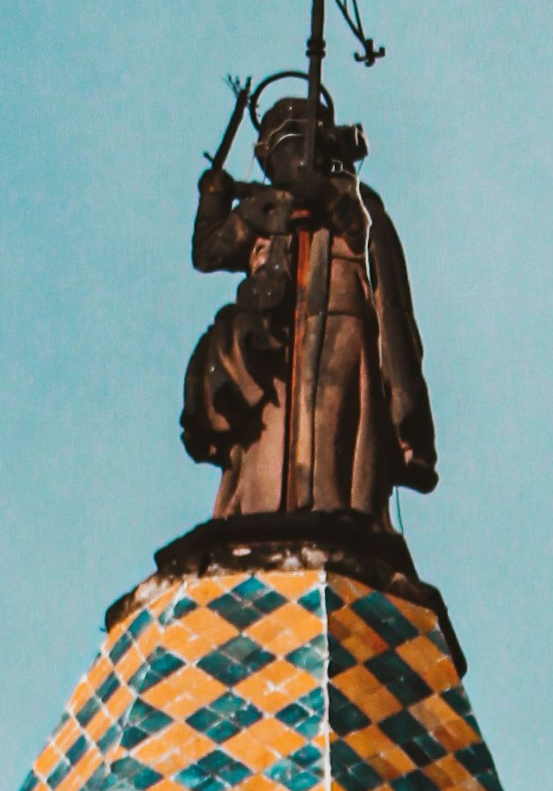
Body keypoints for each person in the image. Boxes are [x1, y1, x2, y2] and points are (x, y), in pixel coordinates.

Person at [184, 87, 437, 517]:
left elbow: (380, 269)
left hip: (343, 327)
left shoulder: (356, 198)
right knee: (269, 444)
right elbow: (209, 253)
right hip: (271, 337)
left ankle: (337, 515)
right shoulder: (260, 207)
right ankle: (262, 519)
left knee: (333, 439)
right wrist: (214, 196)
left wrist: (327, 198)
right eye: (278, 150)